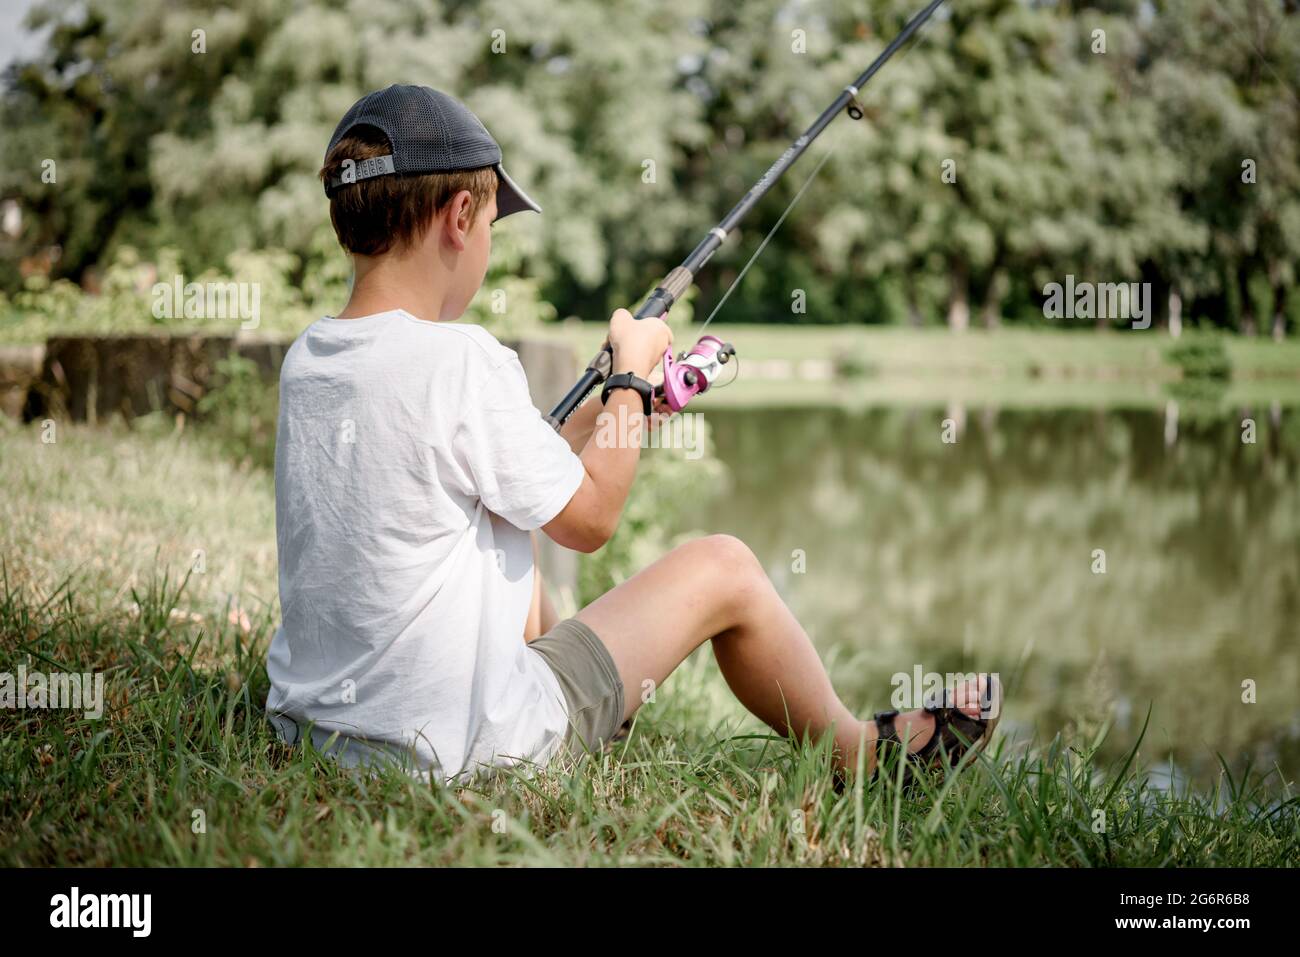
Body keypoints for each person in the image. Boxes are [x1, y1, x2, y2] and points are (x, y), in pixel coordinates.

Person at [265, 84, 1001, 783]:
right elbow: (589, 522)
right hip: (459, 749)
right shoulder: (464, 359)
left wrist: (622, 400)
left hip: (318, 731)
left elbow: (488, 472)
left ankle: (601, 702)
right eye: (491, 225)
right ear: (460, 217)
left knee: (502, 527)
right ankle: (864, 756)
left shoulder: (312, 359)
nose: (487, 243)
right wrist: (628, 382)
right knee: (726, 566)